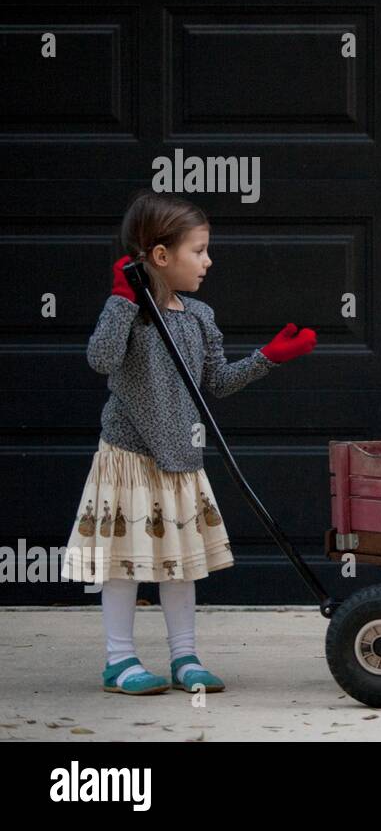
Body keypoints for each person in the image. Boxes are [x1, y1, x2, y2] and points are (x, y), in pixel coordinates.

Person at [59, 190, 317, 695]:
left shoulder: (200, 316)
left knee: (178, 565)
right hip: (129, 458)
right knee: (124, 562)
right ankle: (120, 660)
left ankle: (185, 656)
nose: (208, 260)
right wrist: (121, 298)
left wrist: (269, 357)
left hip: (181, 458)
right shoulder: (130, 313)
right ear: (160, 255)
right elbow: (101, 358)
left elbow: (215, 382)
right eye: (198, 250)